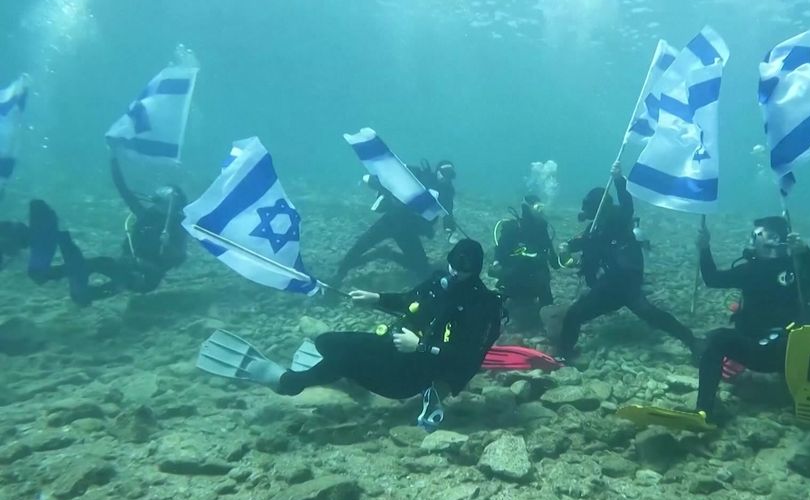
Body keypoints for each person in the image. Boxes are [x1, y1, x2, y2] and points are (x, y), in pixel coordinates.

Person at [200, 240, 503, 420]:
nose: (454, 271)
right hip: (397, 350)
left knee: (341, 359)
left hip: (415, 374)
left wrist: (420, 347)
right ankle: (341, 377)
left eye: (463, 268)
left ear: (475, 270)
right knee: (328, 341)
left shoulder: (481, 304)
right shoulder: (439, 282)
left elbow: (466, 358)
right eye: (453, 262)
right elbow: (410, 301)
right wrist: (376, 299)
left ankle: (290, 383)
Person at [693, 215, 810, 422]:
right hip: (774, 352)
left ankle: (807, 396)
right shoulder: (755, 269)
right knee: (716, 339)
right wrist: (704, 249)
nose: (751, 241)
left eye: (756, 235)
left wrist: (805, 252)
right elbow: (712, 279)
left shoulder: (795, 265)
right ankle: (704, 411)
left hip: (788, 351)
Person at [556, 160, 698, 360]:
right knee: (576, 314)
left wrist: (619, 180)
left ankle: (692, 340)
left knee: (651, 315)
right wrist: (568, 247)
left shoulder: (617, 219)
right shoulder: (595, 227)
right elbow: (585, 240)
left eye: (589, 207)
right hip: (611, 287)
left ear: (599, 207)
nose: (586, 212)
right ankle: (564, 353)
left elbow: (627, 206)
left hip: (623, 283)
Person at [27, 156, 187, 305]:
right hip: (128, 266)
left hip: (146, 277)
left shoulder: (177, 227)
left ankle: (53, 278)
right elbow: (124, 190)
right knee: (98, 272)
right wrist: (114, 160)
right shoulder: (145, 215)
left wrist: (168, 245)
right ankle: (73, 290)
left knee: (109, 271)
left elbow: (179, 258)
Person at [333, 160, 457, 285]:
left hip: (408, 231)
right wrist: (375, 181)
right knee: (361, 245)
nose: (446, 177)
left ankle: (387, 253)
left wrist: (449, 229)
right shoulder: (417, 176)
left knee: (422, 269)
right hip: (392, 220)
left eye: (450, 175)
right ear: (437, 171)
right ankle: (340, 273)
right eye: (444, 173)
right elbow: (390, 177)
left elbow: (448, 212)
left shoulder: (447, 192)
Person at [489, 194, 567, 331]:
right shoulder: (512, 227)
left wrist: (565, 256)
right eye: (537, 207)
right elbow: (500, 253)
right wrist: (497, 265)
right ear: (527, 207)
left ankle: (548, 320)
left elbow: (554, 261)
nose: (540, 211)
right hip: (515, 281)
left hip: (534, 283)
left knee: (541, 280)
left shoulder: (542, 228)